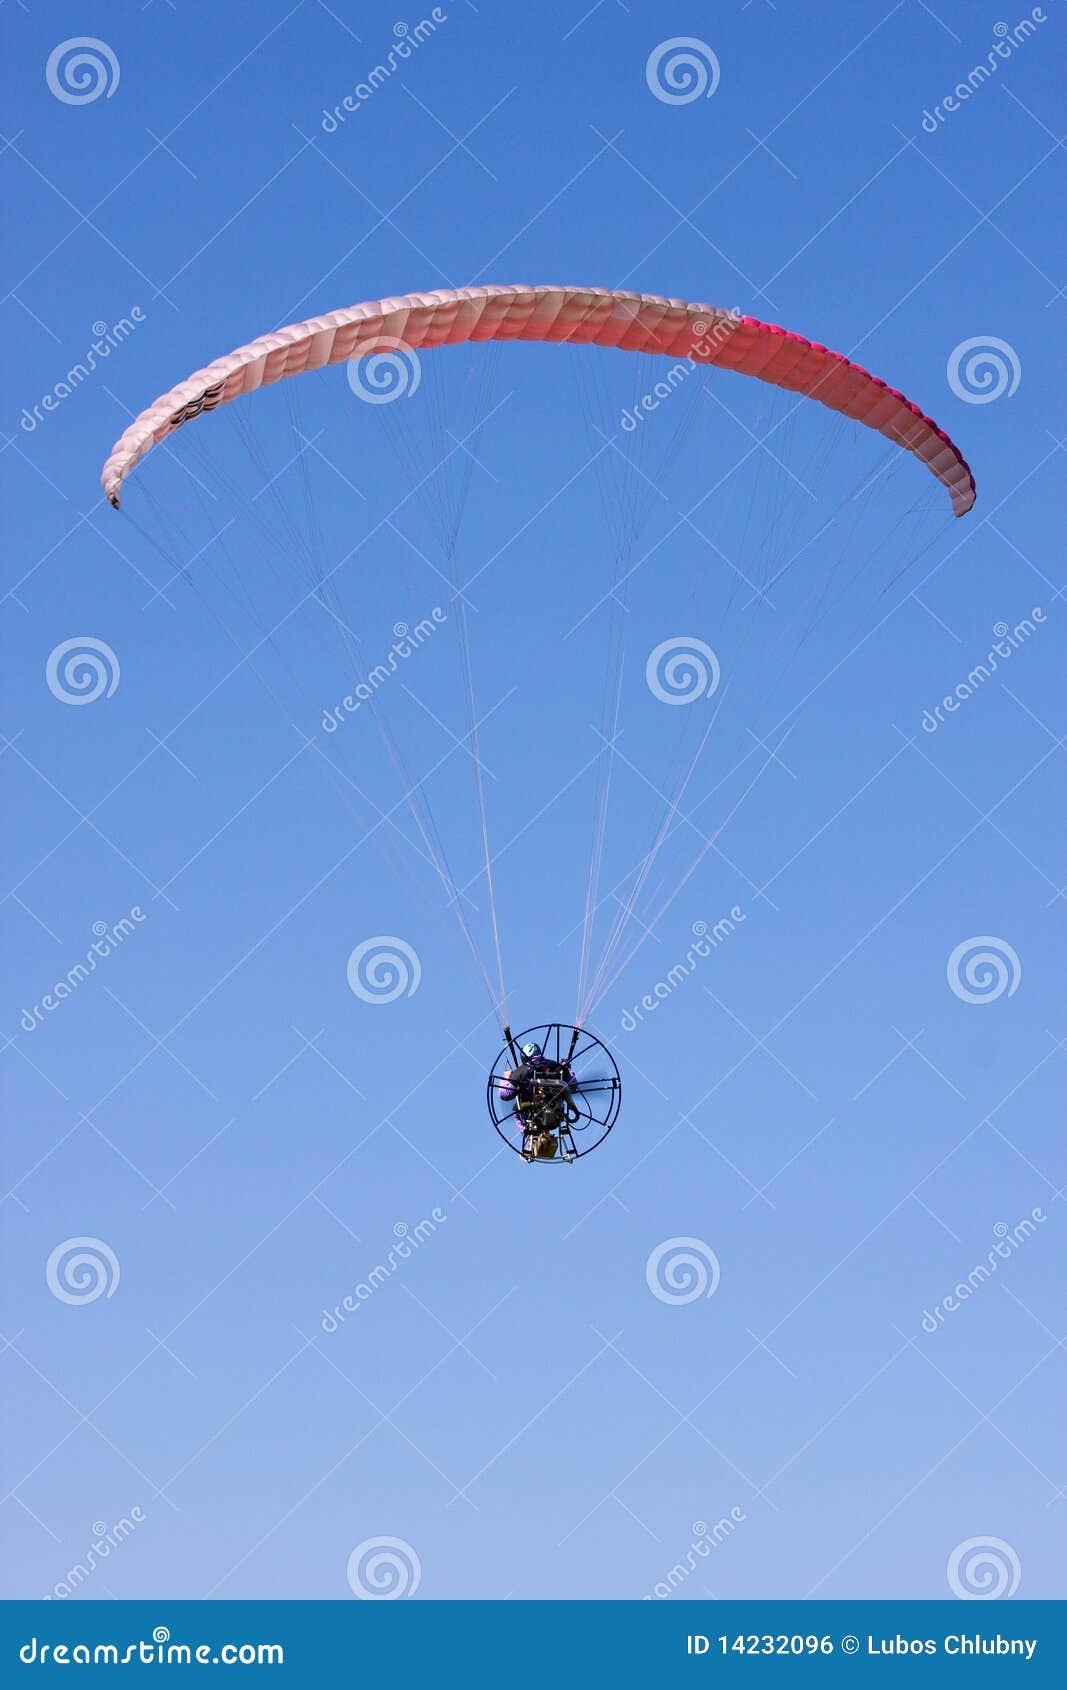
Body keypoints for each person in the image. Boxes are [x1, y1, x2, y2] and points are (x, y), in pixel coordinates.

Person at [498, 1042, 579, 1161]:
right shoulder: (557, 1067)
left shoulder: (522, 1071)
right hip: (556, 1114)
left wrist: (507, 1078)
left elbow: (504, 1094)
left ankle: (530, 1140)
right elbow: (574, 1087)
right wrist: (567, 1069)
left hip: (533, 1114)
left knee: (516, 1110)